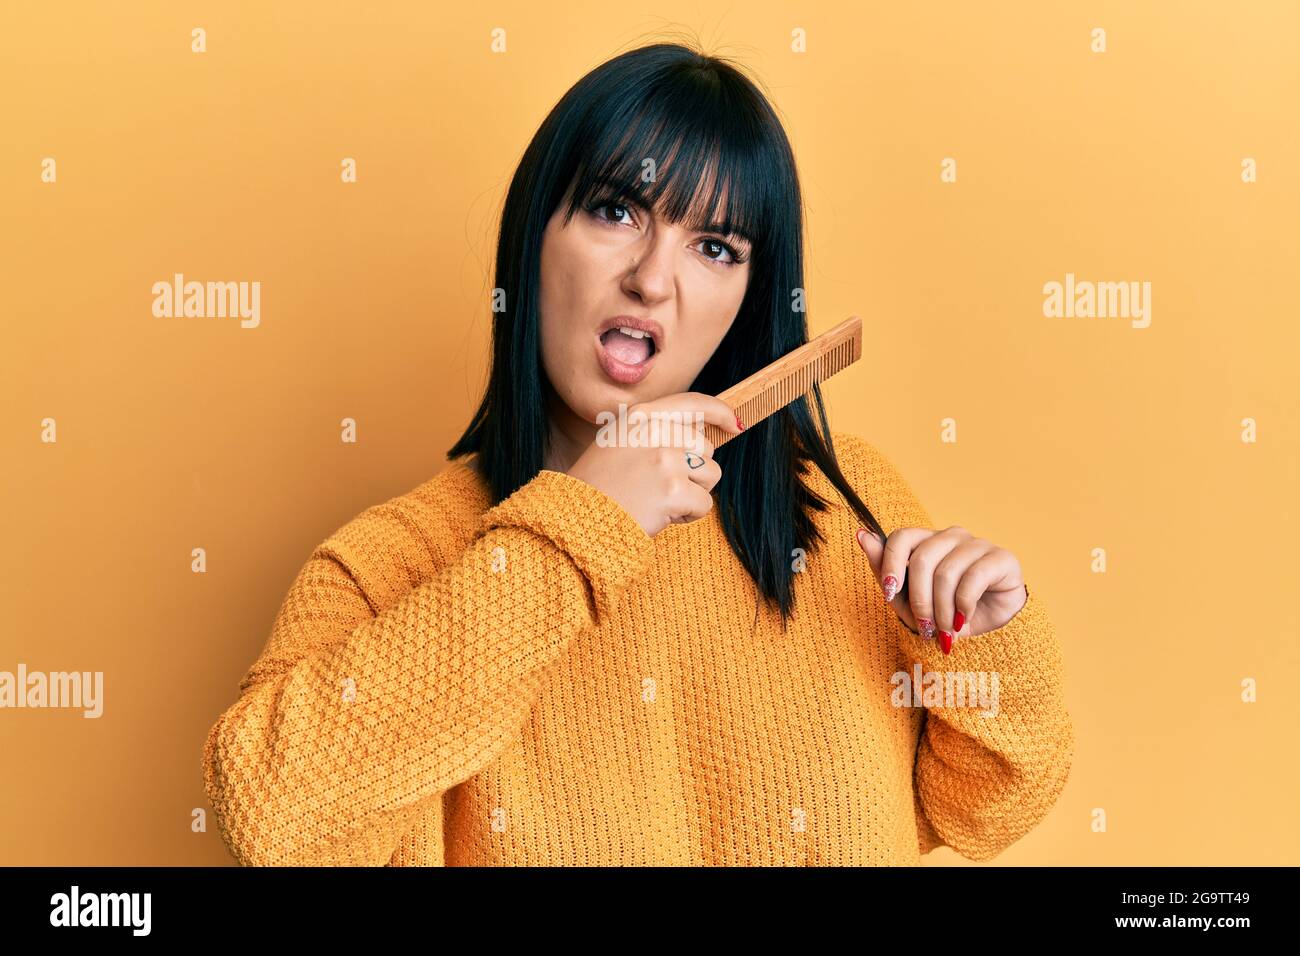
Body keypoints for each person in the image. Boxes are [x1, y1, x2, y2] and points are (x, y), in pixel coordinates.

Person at [202, 41, 1073, 866]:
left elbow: (984, 808)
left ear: (745, 302)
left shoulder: (843, 504)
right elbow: (270, 822)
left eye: (714, 247)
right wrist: (581, 523)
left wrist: (981, 641)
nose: (654, 279)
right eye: (616, 210)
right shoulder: (392, 562)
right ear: (533, 235)